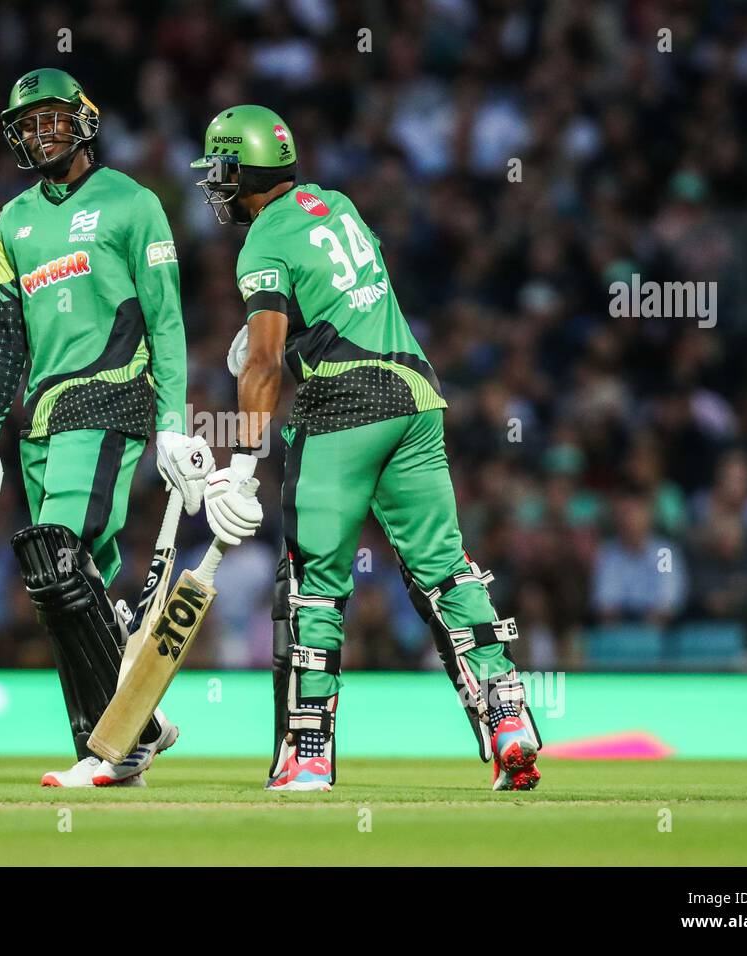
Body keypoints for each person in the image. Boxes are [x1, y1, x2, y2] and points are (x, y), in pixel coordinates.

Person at [192, 105, 542, 791]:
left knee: (312, 585)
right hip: (414, 394)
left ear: (241, 168)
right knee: (445, 569)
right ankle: (508, 715)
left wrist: (240, 467)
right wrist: (290, 335)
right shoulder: (339, 204)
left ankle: (309, 752)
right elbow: (347, 297)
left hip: (343, 404)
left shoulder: (261, 241)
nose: (216, 185)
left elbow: (260, 366)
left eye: (220, 171)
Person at [0, 69, 214, 787]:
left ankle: (114, 744)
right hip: (41, 417)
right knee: (65, 586)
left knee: (56, 555)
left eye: (52, 119)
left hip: (110, 396)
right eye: (26, 124)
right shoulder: (13, 221)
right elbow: (4, 337)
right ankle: (130, 735)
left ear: (84, 120)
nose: (40, 133)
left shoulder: (132, 204)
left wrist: (172, 425)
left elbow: (166, 320)